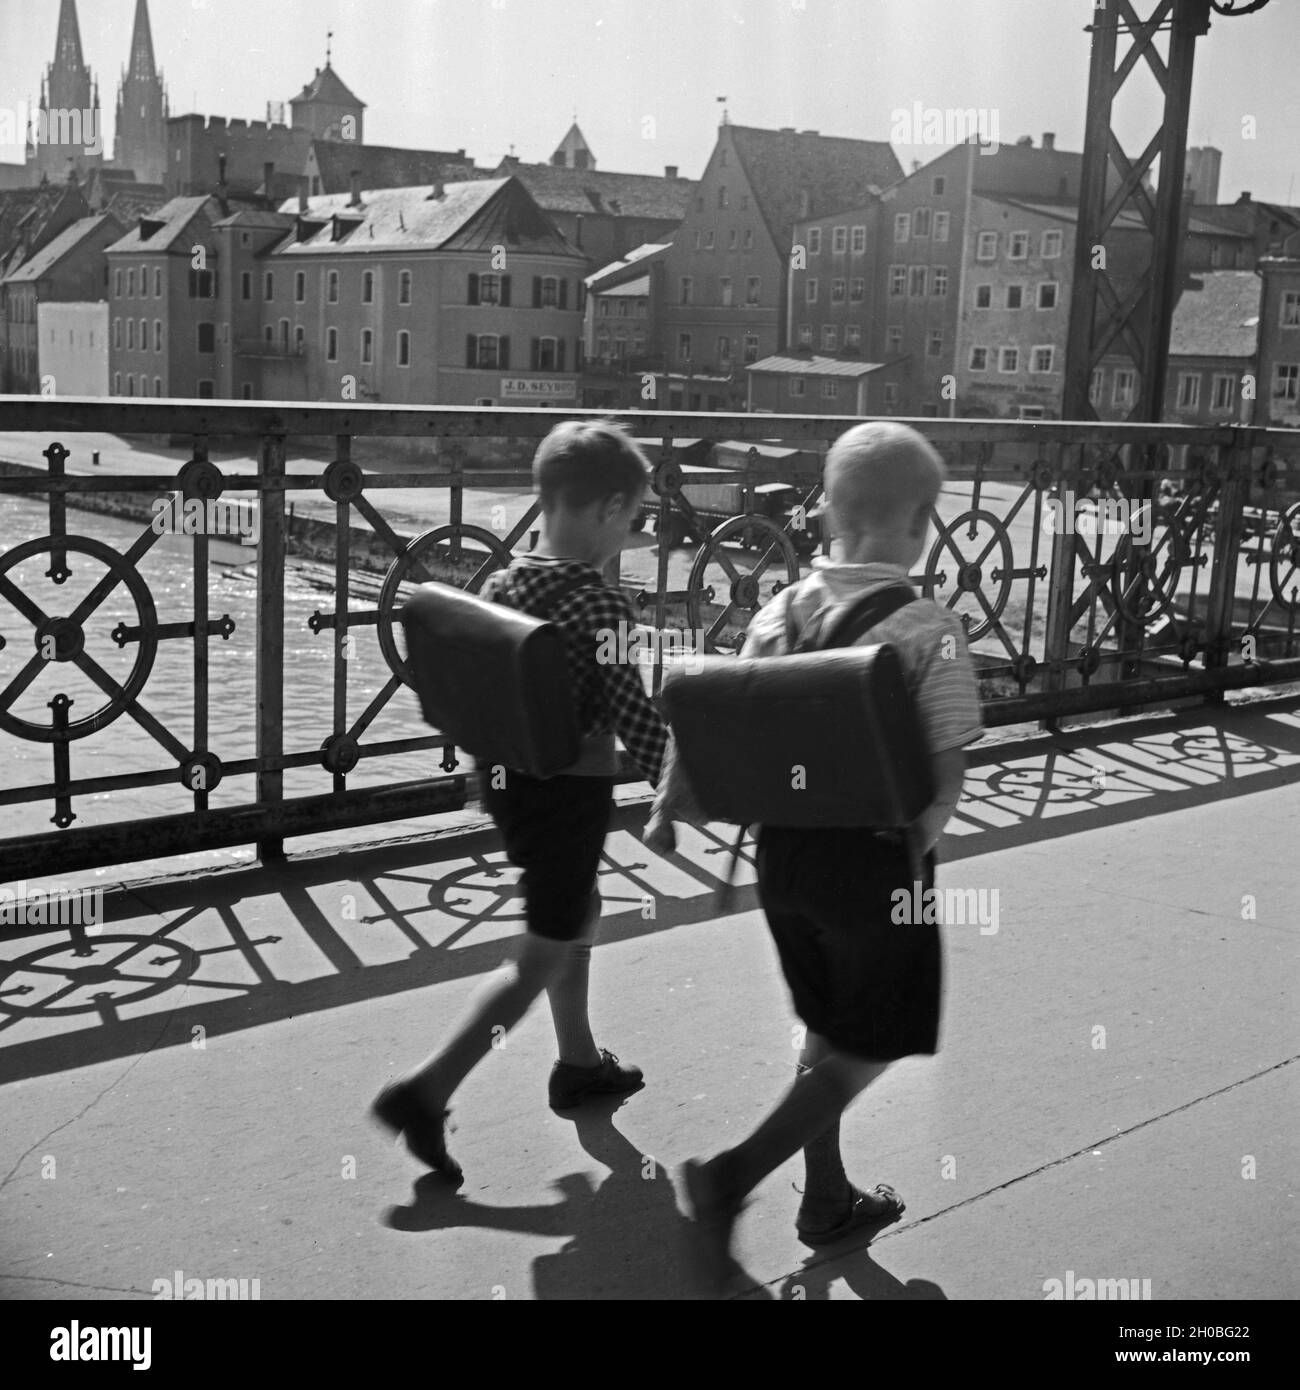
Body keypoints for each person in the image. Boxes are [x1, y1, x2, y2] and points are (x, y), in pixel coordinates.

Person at [649, 420, 983, 1290]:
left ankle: (827, 1197)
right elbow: (947, 769)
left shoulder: (778, 610)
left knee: (828, 1029)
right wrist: (918, 842)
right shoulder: (929, 627)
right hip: (875, 867)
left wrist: (666, 802)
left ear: (825, 511)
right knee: (871, 1044)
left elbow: (721, 710)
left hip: (783, 863)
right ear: (921, 526)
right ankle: (731, 1176)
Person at [373, 420, 670, 1182]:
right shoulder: (601, 606)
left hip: (511, 788)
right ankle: (426, 1090)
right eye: (633, 518)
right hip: (570, 794)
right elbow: (632, 712)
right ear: (606, 510)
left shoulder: (505, 581)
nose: (631, 533)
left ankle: (577, 1063)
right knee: (540, 953)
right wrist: (679, 782)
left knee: (576, 912)